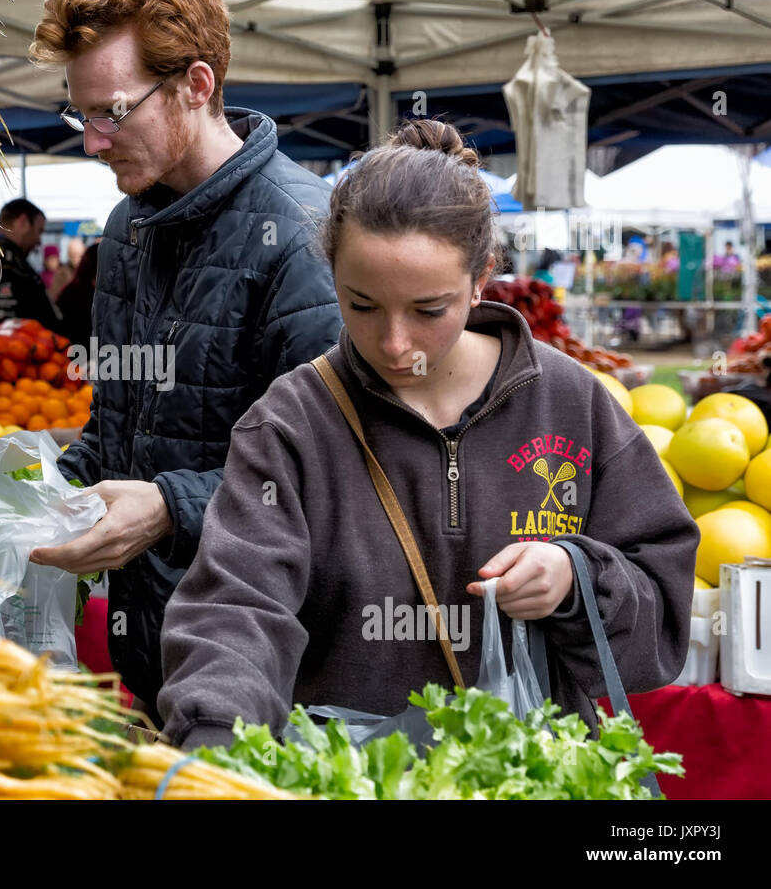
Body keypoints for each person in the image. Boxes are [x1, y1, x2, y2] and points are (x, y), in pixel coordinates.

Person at [157, 119, 699, 749]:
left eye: (428, 310)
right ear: (330, 269)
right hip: (349, 785)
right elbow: (236, 606)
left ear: (481, 278)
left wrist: (576, 579)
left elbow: (661, 616)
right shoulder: (292, 422)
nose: (394, 344)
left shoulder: (571, 402)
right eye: (361, 305)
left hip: (530, 783)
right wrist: (216, 735)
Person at [24, 0, 345, 711]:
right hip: (158, 646)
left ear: (196, 86)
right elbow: (117, 422)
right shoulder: (129, 228)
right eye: (82, 115)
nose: (93, 142)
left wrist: (171, 508)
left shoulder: (304, 238)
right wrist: (37, 493)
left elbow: (333, 474)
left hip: (269, 664)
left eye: (112, 112)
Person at [0, 198, 65, 333]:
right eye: (39, 231)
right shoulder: (5, 263)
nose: (39, 241)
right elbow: (6, 323)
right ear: (23, 222)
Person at [53, 240, 99, 347]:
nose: (77, 259)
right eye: (74, 255)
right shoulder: (66, 281)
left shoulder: (72, 289)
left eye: (79, 255)